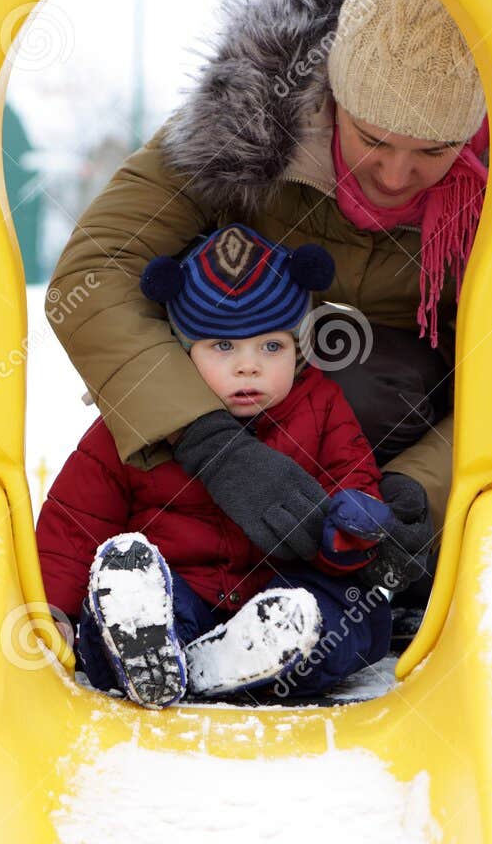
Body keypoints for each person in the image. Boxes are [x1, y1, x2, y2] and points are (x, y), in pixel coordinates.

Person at [45, 0, 488, 604]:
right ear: (331, 101)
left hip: (409, 422)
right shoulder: (246, 120)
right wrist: (212, 443)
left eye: (434, 151)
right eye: (372, 139)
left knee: (366, 379)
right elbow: (94, 272)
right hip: (241, 394)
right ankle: (181, 584)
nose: (397, 175)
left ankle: (346, 599)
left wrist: (418, 494)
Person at [36, 224, 400, 708]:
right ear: (183, 352)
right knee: (131, 598)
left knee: (340, 614)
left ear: (299, 350)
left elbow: (351, 478)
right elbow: (79, 519)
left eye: (272, 347)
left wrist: (349, 529)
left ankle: (254, 653)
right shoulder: (139, 418)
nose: (248, 366)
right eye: (223, 347)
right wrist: (51, 608)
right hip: (181, 594)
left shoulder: (321, 407)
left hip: (279, 592)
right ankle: (144, 640)